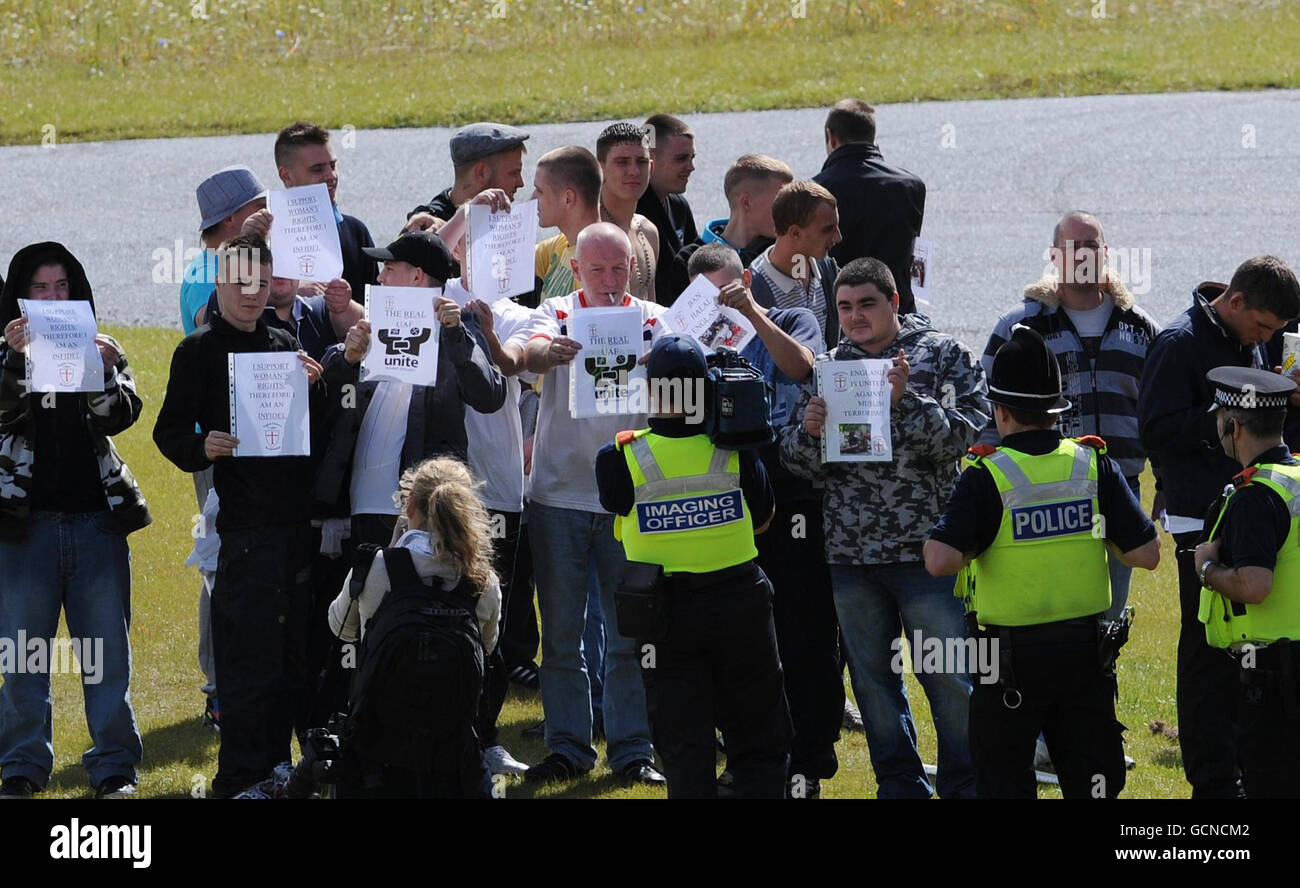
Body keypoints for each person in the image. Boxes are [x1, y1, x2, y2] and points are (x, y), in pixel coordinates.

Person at [925, 325, 1161, 798]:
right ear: (1056, 410)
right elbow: (1146, 554)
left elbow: (939, 560)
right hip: (1083, 652)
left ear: (1001, 410)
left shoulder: (987, 473)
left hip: (1006, 658)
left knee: (1003, 780)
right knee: (1092, 778)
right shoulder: (1091, 464)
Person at [781, 257, 986, 799]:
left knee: (950, 681)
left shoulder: (942, 357)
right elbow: (798, 465)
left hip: (930, 553)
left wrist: (907, 402)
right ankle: (900, 786)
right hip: (852, 557)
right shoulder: (828, 368)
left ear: (894, 302)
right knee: (874, 685)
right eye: (844, 306)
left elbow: (968, 441)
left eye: (867, 303)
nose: (854, 316)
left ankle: (965, 786)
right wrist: (808, 433)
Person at [153, 233, 327, 798]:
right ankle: (241, 775)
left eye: (261, 282)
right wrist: (202, 447)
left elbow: (310, 435)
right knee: (247, 655)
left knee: (293, 655)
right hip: (244, 528)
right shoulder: (197, 350)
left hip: (295, 524)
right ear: (220, 284)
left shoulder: (283, 342)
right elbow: (168, 431)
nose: (251, 294)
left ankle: (283, 767)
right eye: (240, 283)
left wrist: (315, 387)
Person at [595, 334, 790, 798]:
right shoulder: (735, 448)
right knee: (758, 736)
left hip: (664, 615)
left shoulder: (619, 457)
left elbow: (616, 509)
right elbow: (764, 520)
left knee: (685, 747)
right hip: (739, 603)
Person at [1137, 254, 1300, 798]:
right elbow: (1154, 431)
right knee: (1208, 652)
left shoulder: (1243, 337)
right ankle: (1213, 780)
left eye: (1273, 332)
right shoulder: (1177, 344)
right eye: (1263, 327)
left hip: (1252, 505)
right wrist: (1226, 416)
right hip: (1200, 520)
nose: (1266, 337)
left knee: (1254, 653)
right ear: (1235, 302)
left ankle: (1250, 764)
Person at [686, 244, 841, 794]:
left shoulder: (791, 316)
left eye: (730, 288)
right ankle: (752, 758)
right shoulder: (688, 336)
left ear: (747, 279)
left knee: (805, 631)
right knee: (742, 638)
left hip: (793, 482)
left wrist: (750, 313)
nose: (721, 303)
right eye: (711, 297)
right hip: (727, 485)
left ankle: (809, 759)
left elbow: (803, 367)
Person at [0, 243, 150, 799]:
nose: (52, 298)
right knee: (21, 655)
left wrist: (105, 370)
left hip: (97, 523)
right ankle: (21, 767)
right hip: (24, 527)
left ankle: (114, 767)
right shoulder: (3, 352)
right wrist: (17, 360)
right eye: (40, 289)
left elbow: (120, 417)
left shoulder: (101, 345)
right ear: (21, 296)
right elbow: (2, 412)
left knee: (107, 655)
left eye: (62, 287)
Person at [520, 222, 667, 785]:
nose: (608, 280)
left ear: (632, 268)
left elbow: (692, 372)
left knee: (629, 635)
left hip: (629, 499)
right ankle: (568, 747)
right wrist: (545, 353)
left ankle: (633, 749)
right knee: (560, 633)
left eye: (618, 268)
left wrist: (666, 364)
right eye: (597, 269)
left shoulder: (654, 318)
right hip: (557, 495)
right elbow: (526, 353)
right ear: (576, 269)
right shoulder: (556, 312)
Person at [981, 211, 1161, 623]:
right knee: (1049, 607)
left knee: (1108, 616)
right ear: (1053, 255)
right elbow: (986, 403)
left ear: (1107, 253)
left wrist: (1165, 480)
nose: (1083, 255)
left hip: (1121, 487)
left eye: (1091, 245)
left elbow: (1158, 412)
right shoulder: (1021, 326)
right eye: (1072, 247)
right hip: (1040, 491)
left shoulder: (1139, 327)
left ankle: (1100, 676)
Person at [314, 229, 505, 548]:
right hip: (362, 502)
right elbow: (326, 393)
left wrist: (456, 335)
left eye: (389, 268)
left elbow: (488, 396)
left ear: (417, 276)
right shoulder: (371, 324)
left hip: (424, 505)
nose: (380, 278)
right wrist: (346, 358)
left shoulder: (459, 329)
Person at [327, 457, 502, 798]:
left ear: (408, 505)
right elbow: (489, 647)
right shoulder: (483, 581)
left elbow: (341, 628)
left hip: (378, 748)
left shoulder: (378, 568)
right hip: (452, 752)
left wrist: (392, 550)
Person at [1194, 367, 1300, 798]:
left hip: (1277, 676)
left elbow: (1255, 585)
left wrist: (1206, 570)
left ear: (1231, 426)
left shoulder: (1256, 495)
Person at [812, 98, 925, 316]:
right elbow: (916, 252)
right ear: (873, 137)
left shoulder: (815, 189)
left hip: (842, 314)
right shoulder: (911, 186)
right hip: (898, 310)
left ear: (831, 137)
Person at [272, 121, 379, 303]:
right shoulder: (267, 235)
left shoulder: (355, 231)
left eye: (333, 165)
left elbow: (374, 309)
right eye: (317, 169)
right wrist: (293, 292)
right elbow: (238, 297)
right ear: (286, 175)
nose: (331, 175)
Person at [668, 154, 793, 303]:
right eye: (780, 201)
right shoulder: (688, 259)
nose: (788, 212)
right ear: (746, 202)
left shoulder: (778, 254)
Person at [749, 180, 841, 348]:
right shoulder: (755, 289)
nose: (838, 237)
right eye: (828, 229)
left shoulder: (827, 270)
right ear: (795, 233)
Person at [183, 165, 268, 334]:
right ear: (229, 218)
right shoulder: (203, 272)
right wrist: (246, 245)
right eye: (260, 206)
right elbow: (209, 322)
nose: (267, 212)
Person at [405, 122, 530, 232]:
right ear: (481, 173)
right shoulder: (426, 226)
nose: (521, 183)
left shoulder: (502, 215)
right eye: (514, 173)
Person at [637, 114, 699, 305]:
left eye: (692, 157)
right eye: (681, 159)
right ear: (650, 160)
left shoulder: (679, 205)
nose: (691, 167)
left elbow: (694, 264)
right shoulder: (633, 210)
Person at [596, 122, 660, 304]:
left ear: (651, 168)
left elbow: (652, 306)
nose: (633, 171)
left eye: (642, 162)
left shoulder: (648, 231)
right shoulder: (591, 230)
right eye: (622, 162)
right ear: (601, 168)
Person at [533, 146, 603, 302]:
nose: (532, 198)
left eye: (539, 191)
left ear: (568, 198)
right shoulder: (561, 244)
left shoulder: (601, 266)